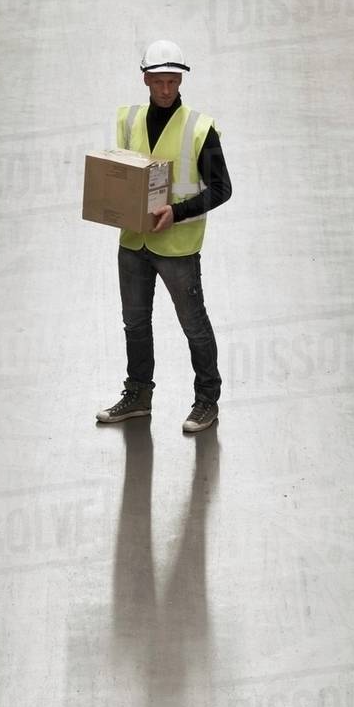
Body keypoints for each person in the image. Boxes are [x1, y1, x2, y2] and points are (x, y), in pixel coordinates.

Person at [97, 40, 232, 433]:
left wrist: (177, 213)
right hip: (132, 243)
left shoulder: (199, 128)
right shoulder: (128, 120)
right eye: (160, 81)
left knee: (194, 325)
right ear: (146, 79)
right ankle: (138, 394)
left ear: (181, 80)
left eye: (174, 81)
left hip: (178, 247)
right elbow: (122, 174)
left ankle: (207, 400)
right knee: (135, 324)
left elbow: (222, 188)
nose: (167, 89)